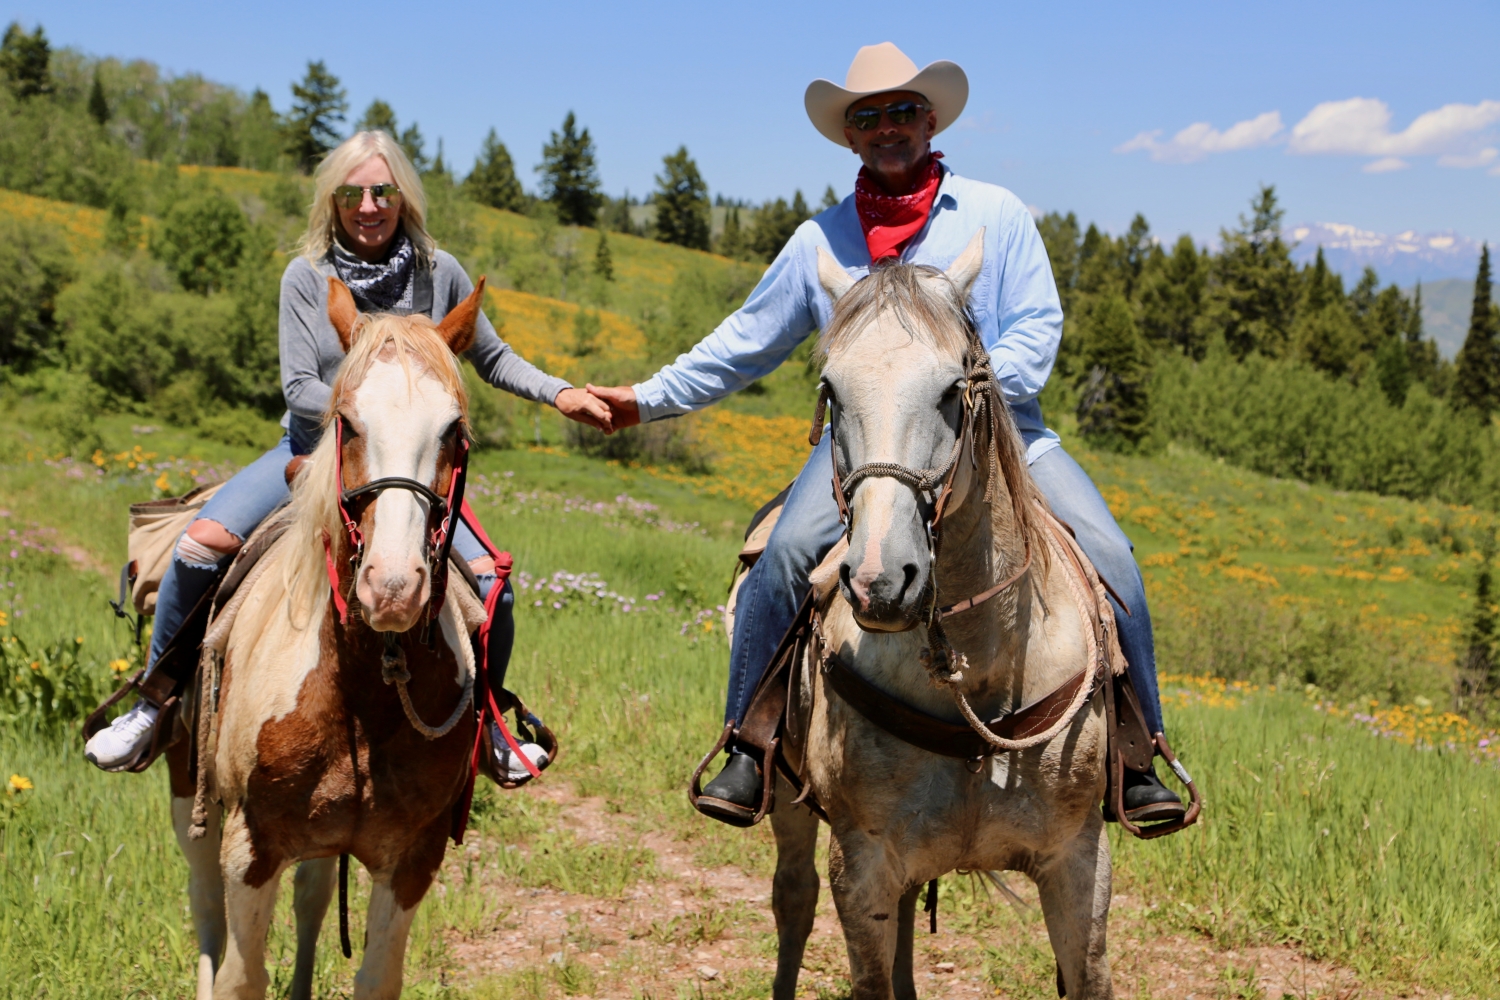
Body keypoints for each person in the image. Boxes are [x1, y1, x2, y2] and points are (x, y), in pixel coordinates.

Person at [587, 43, 1186, 826]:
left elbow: (1038, 325)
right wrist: (643, 400)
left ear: (930, 120)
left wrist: (976, 400)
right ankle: (750, 744)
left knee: (1112, 559)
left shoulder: (996, 217)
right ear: (850, 137)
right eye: (868, 118)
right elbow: (742, 343)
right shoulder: (820, 244)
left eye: (902, 112)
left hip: (1005, 438)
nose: (887, 128)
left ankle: (1135, 759)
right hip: (865, 456)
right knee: (782, 560)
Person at [86, 131, 611, 777]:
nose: (369, 205)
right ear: (332, 201)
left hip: (410, 468)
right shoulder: (307, 277)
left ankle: (491, 721)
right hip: (313, 449)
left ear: (404, 197)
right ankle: (154, 703)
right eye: (353, 192)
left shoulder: (437, 271)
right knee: (199, 547)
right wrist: (369, 400)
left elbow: (492, 356)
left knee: (495, 588)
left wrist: (560, 394)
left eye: (384, 190)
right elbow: (299, 385)